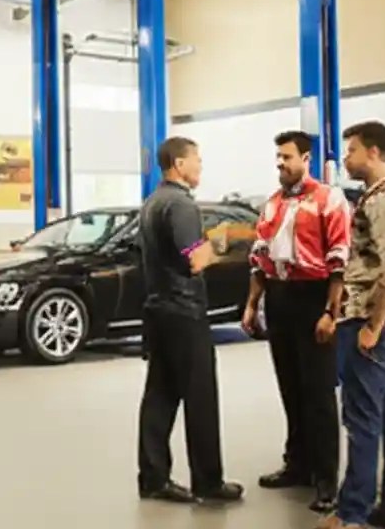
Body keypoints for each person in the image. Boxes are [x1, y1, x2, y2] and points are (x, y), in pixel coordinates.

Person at [317, 121, 385, 529]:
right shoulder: (378, 197)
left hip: (373, 323)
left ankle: (351, 514)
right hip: (372, 320)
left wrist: (372, 326)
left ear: (374, 153)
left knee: (361, 420)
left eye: (352, 151)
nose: (346, 158)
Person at [244, 130, 351, 513]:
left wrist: (330, 312)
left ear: (306, 158)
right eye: (277, 157)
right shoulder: (271, 204)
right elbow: (259, 258)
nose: (280, 164)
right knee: (290, 387)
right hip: (279, 297)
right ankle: (298, 464)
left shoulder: (328, 199)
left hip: (313, 297)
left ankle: (326, 479)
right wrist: (251, 305)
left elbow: (339, 259)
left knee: (318, 392)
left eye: (287, 157)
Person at [137, 136, 244, 505]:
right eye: (197, 159)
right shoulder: (180, 205)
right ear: (179, 164)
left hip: (158, 310)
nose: (200, 165)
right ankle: (208, 482)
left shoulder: (152, 202)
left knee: (160, 396)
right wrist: (221, 246)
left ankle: (153, 478)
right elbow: (195, 260)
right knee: (200, 397)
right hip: (184, 313)